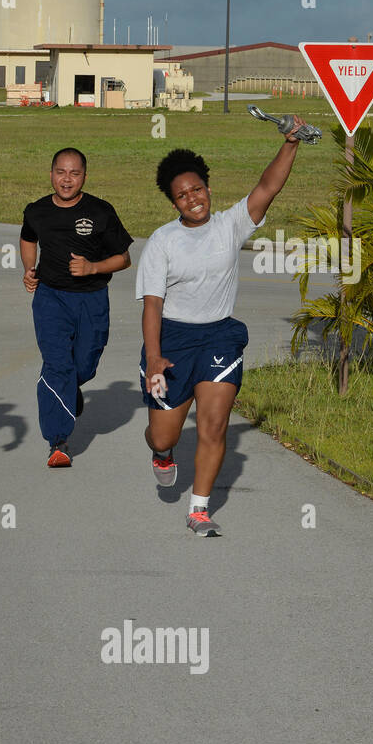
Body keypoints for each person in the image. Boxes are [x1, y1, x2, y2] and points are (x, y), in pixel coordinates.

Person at [136, 123, 307, 537]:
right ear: (173, 202)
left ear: (208, 187)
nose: (192, 199)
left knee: (213, 426)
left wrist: (290, 142)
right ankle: (163, 455)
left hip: (219, 338)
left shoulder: (231, 224)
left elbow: (268, 187)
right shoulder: (162, 242)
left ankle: (199, 510)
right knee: (162, 436)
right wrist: (154, 355)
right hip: (172, 341)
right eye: (182, 195)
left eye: (197, 189)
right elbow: (153, 305)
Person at [20, 148, 133, 467]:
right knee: (58, 365)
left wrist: (93, 268)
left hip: (91, 300)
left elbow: (124, 258)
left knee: (84, 365)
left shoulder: (101, 211)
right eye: (60, 172)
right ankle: (58, 442)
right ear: (51, 172)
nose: (66, 180)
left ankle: (70, 388)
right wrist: (29, 269)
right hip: (50, 298)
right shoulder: (37, 211)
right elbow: (28, 239)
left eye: (74, 173)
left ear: (84, 176)